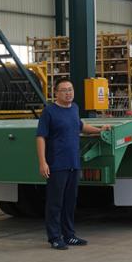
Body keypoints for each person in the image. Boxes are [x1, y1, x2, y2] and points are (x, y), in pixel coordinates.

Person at [36, 78, 110, 250]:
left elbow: (81, 126)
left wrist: (99, 131)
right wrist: (43, 162)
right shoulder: (49, 112)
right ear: (56, 93)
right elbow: (40, 137)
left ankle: (69, 235)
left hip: (73, 163)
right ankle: (55, 237)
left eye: (70, 89)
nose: (68, 93)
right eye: (64, 90)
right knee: (55, 203)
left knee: (70, 202)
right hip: (57, 164)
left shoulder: (74, 108)